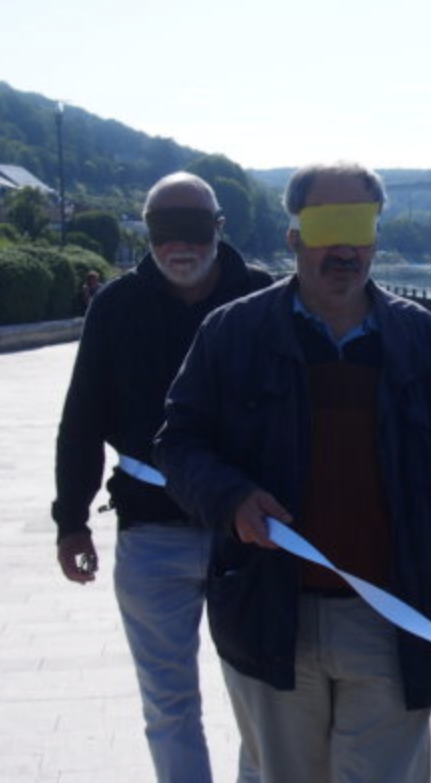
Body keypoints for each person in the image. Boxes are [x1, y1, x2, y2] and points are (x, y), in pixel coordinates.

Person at [155, 162, 431, 783]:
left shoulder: (427, 344)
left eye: (359, 228)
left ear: (377, 238)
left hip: (393, 615)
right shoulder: (232, 333)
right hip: (270, 612)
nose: (345, 248)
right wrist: (231, 497)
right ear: (294, 237)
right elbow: (179, 442)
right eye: (328, 227)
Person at [53, 171, 274, 782]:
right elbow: (82, 418)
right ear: (147, 233)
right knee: (168, 703)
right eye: (164, 231)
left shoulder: (263, 298)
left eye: (194, 230)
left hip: (247, 535)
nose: (180, 245)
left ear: (219, 229)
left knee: (264, 701)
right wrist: (70, 520)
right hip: (151, 532)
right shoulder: (116, 307)